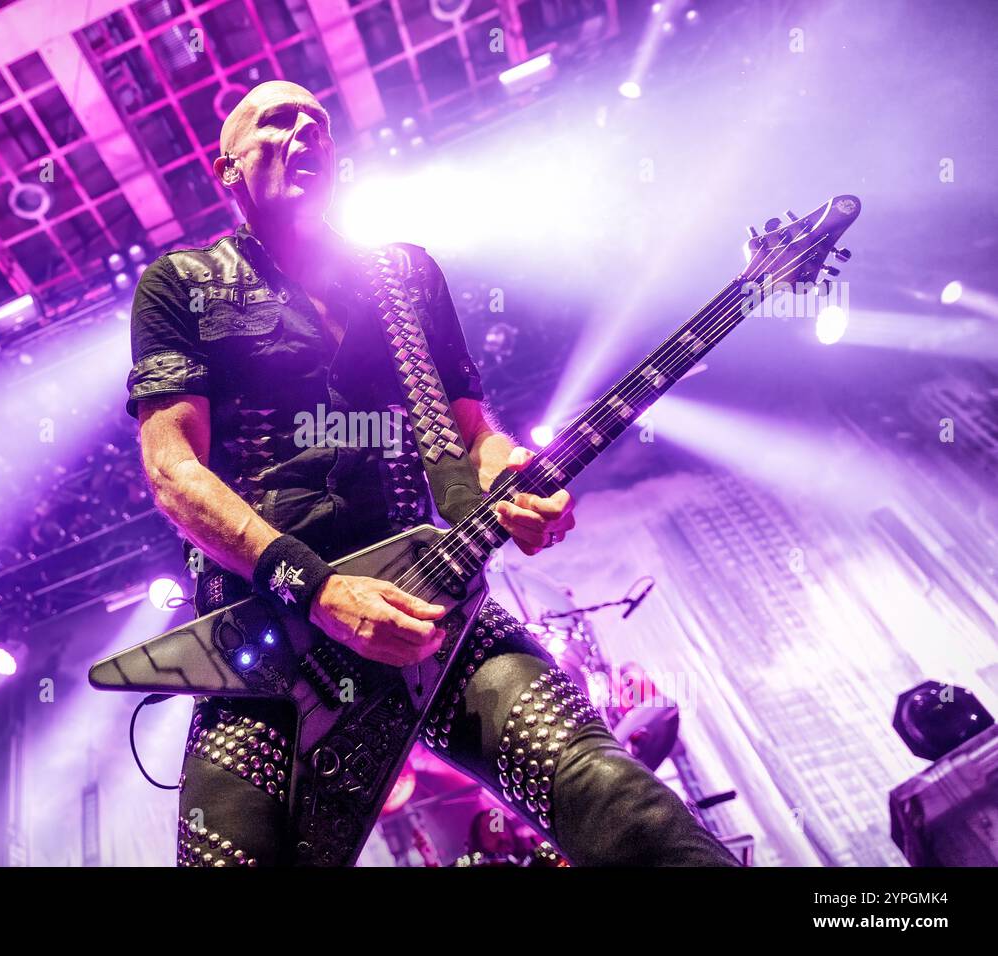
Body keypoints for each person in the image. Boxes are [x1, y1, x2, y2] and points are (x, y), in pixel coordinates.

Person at [127, 80, 739, 867]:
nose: (308, 131)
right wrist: (317, 589)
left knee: (615, 796)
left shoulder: (403, 276)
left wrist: (509, 476)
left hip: (434, 604)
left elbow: (468, 438)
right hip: (263, 644)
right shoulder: (181, 283)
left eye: (320, 122)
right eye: (279, 121)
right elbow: (172, 470)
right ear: (227, 168)